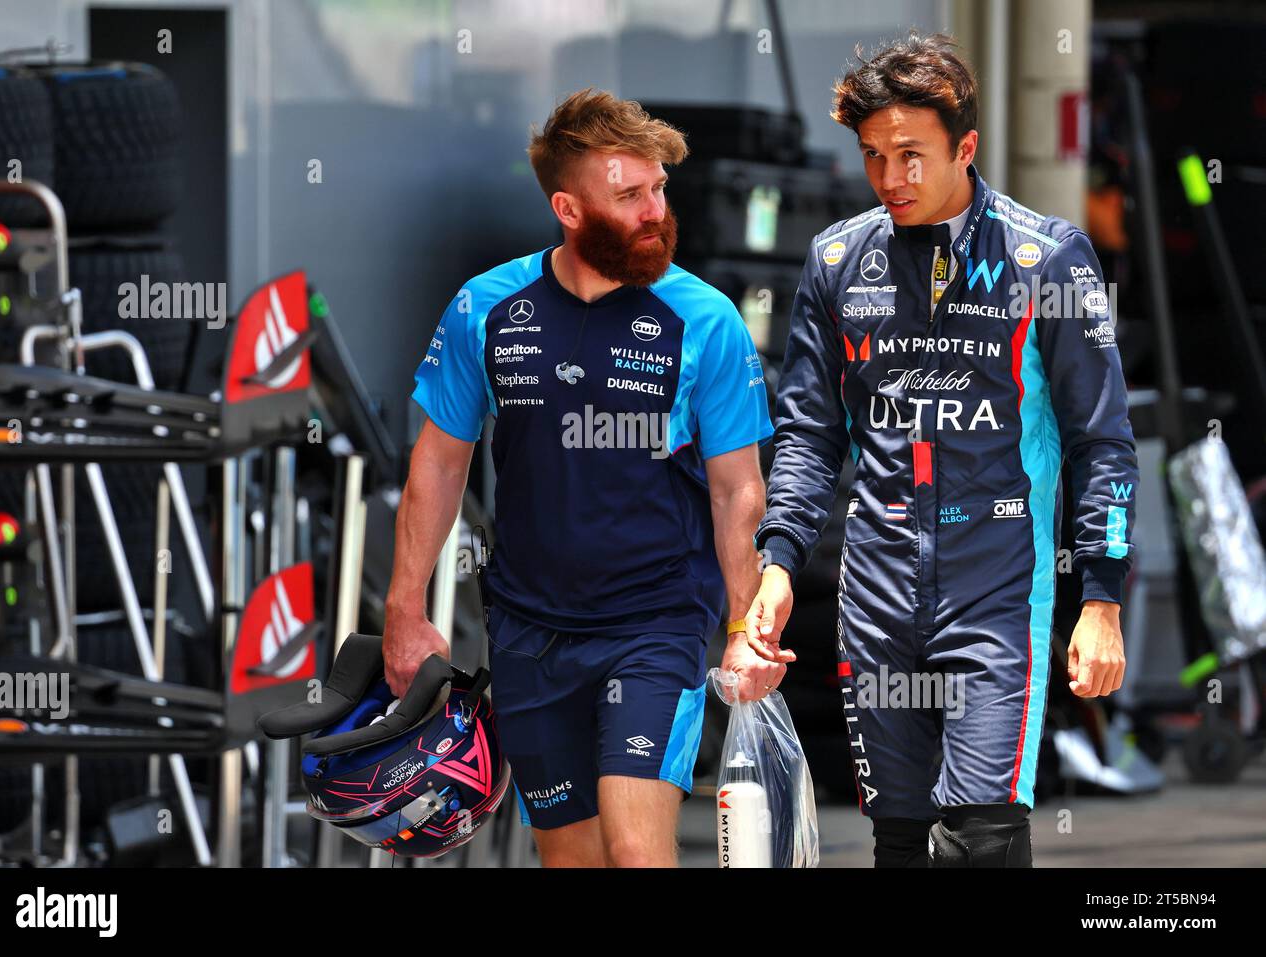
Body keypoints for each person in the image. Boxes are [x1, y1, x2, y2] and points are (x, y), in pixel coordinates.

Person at [746, 33, 1137, 867]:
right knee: (899, 843)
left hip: (997, 590)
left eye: (913, 155)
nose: (892, 178)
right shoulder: (836, 260)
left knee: (980, 840)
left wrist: (1100, 600)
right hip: (876, 592)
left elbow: (1102, 440)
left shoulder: (1048, 258)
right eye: (874, 156)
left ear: (965, 147)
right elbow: (810, 435)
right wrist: (777, 568)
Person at [383, 88, 786, 868]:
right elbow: (438, 461)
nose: (655, 211)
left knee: (635, 848)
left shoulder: (705, 321)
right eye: (629, 194)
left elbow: (740, 489)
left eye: (659, 188)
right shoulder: (486, 309)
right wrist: (404, 609)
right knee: (573, 860)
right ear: (568, 208)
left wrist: (743, 630)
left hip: (656, 623)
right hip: (530, 630)